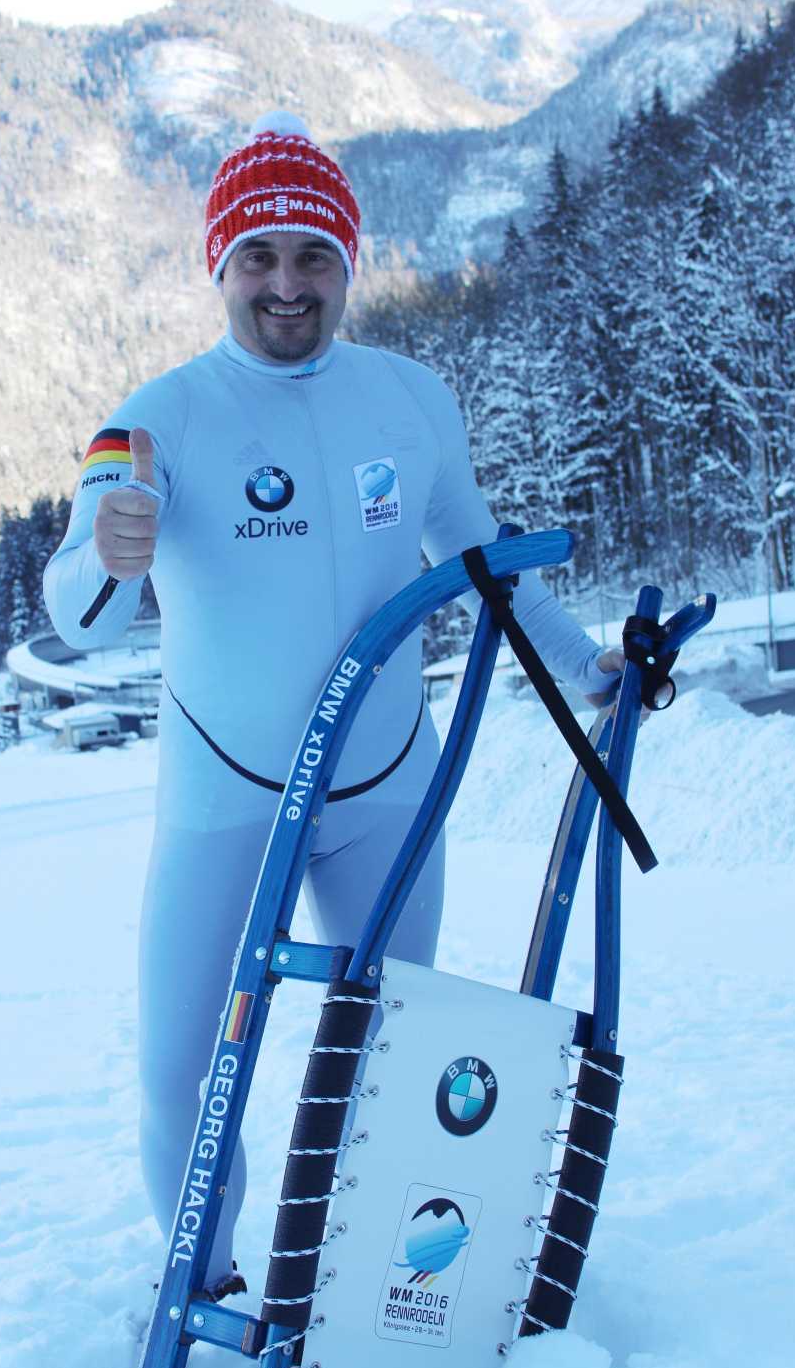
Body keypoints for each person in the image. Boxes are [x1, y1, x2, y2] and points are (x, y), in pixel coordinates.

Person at [43, 112, 622, 1302]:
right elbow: (79, 619)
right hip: (226, 802)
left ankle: (377, 1295)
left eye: (312, 254)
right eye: (256, 256)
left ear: (347, 262)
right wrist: (106, 547)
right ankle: (201, 1287)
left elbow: (480, 555)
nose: (286, 284)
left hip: (382, 790)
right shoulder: (157, 414)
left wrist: (590, 669)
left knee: (386, 1051)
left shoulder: (408, 398)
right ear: (221, 269)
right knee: (182, 1073)